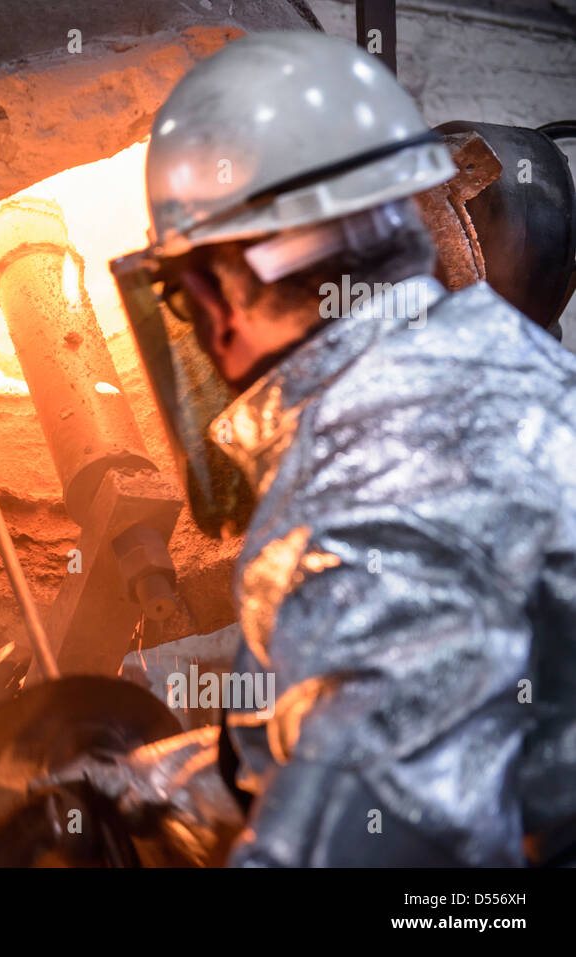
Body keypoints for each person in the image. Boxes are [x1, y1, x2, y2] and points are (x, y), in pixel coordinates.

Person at [58, 30, 576, 866]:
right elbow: (372, 698)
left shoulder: (350, 517)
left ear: (216, 298)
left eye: (180, 301)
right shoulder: (506, 367)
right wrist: (185, 782)